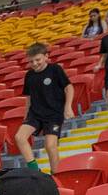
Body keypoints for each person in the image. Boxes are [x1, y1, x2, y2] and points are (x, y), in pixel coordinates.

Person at [16, 42, 73, 172]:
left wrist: (68, 107)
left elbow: (69, 87)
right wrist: (26, 115)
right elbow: (29, 97)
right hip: (35, 114)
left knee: (50, 145)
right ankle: (35, 171)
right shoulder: (29, 75)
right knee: (19, 137)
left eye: (38, 60)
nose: (35, 63)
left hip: (53, 114)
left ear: (46, 56)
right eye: (31, 61)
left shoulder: (55, 69)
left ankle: (56, 176)